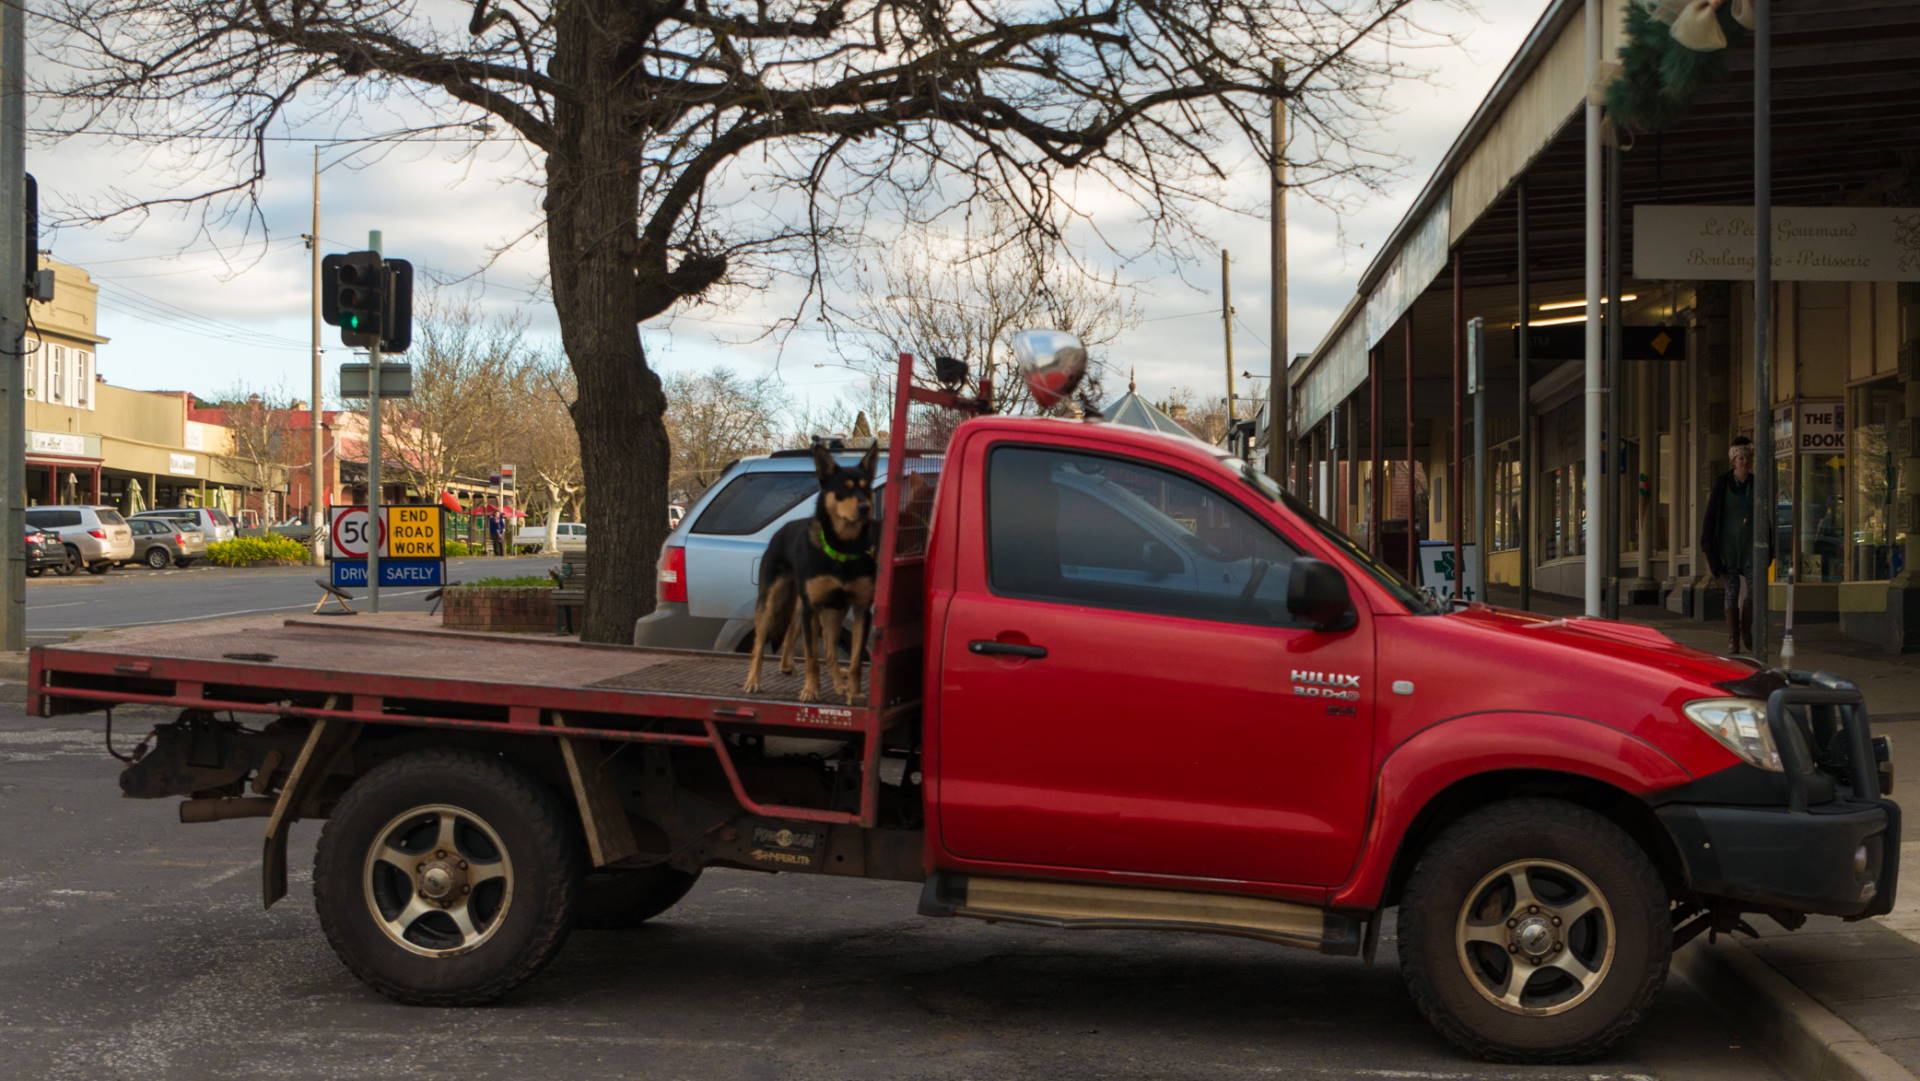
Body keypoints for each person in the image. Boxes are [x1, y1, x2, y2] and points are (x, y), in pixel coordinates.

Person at [1700, 437, 1769, 654]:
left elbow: (1764, 514)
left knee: (1753, 591)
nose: (1744, 462)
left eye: (1747, 458)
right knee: (1732, 590)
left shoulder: (1756, 483)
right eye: (1740, 458)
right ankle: (1733, 638)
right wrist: (1709, 546)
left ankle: (1746, 629)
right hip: (1728, 546)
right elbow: (1711, 516)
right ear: (1733, 460)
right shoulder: (1722, 484)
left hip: (1750, 545)